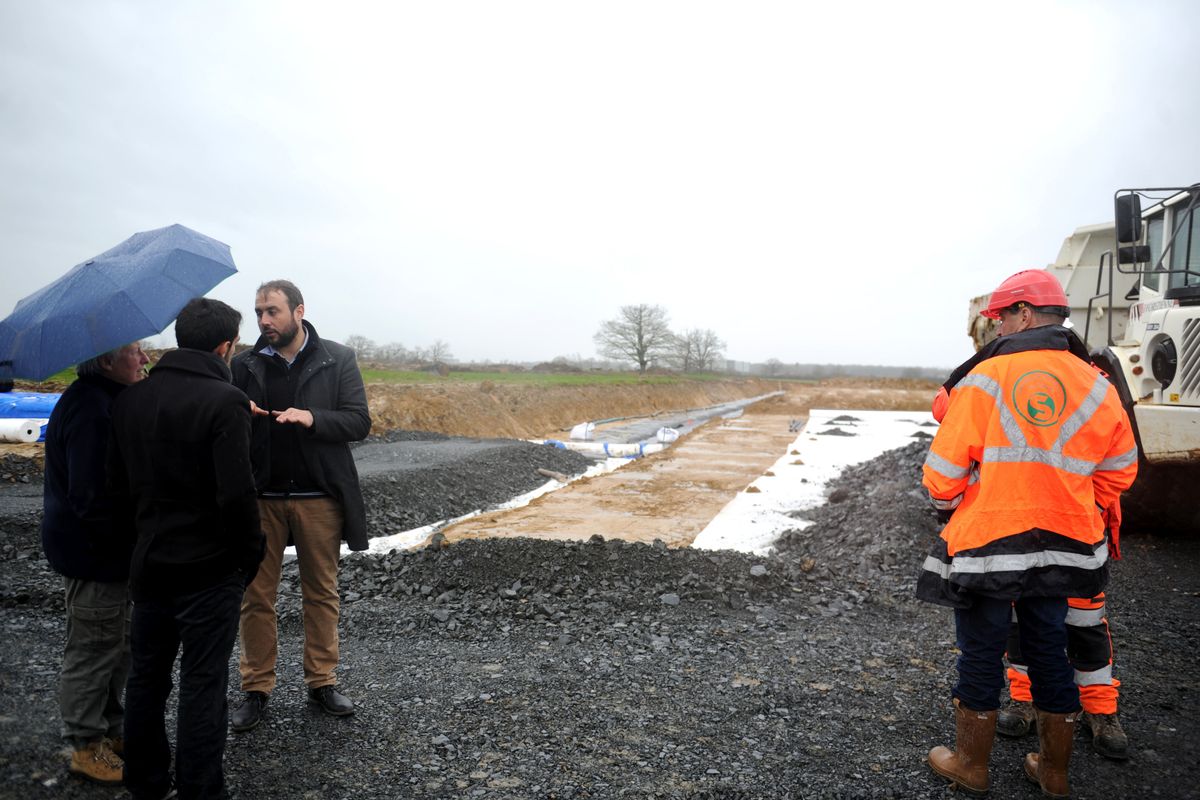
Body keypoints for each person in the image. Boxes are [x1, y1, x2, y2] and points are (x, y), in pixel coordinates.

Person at [917, 269, 1138, 797]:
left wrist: (958, 502)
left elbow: (941, 478)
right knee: (1048, 648)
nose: (995, 329)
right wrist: (1073, 505)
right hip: (1065, 549)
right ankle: (1054, 773)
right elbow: (1121, 469)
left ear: (1022, 313)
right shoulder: (1097, 383)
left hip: (990, 544)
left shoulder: (983, 381)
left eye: (999, 318)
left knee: (981, 652)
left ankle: (971, 765)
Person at [108, 298, 264, 800]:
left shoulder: (130, 400)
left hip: (150, 563)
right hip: (210, 568)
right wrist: (250, 555)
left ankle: (146, 781)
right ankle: (200, 788)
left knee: (147, 680)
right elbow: (237, 494)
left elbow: (119, 488)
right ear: (226, 346)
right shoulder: (225, 402)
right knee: (202, 683)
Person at [229, 279, 371, 732]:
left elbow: (359, 421)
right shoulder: (243, 364)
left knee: (322, 593)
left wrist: (313, 418)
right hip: (261, 498)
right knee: (255, 597)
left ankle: (322, 682)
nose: (264, 321)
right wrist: (239, 413)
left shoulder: (337, 357)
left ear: (299, 311)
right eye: (258, 313)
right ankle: (255, 688)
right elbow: (223, 425)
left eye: (272, 311)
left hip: (319, 497)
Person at [41, 342, 149, 784]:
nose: (143, 359)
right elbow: (92, 498)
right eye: (135, 352)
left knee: (115, 645)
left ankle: (110, 730)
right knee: (93, 647)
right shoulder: (90, 411)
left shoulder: (104, 399)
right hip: (95, 554)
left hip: (108, 553)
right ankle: (85, 745)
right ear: (107, 361)